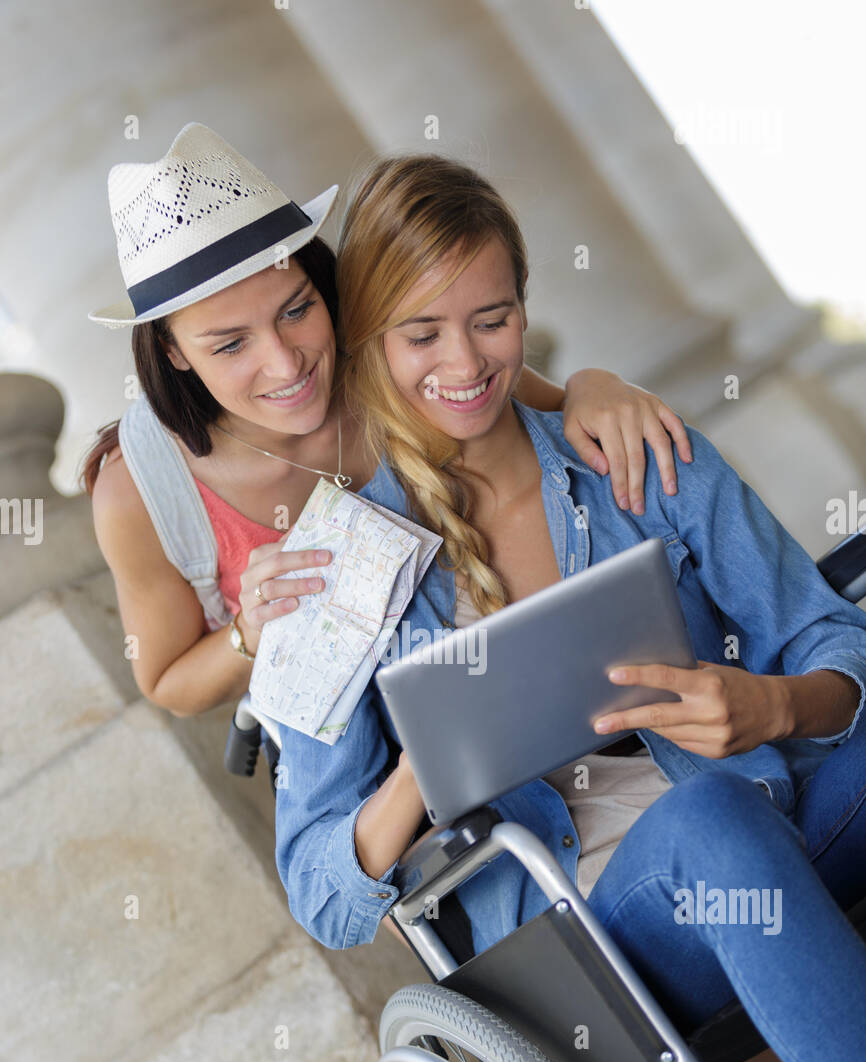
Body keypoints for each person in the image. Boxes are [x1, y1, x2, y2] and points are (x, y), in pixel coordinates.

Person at [271, 152, 866, 1062]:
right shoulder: (336, 578)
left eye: (490, 320)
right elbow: (320, 888)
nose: (464, 363)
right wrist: (423, 769)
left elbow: (826, 640)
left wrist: (773, 704)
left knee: (725, 810)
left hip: (767, 808)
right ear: (367, 345)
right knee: (708, 829)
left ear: (525, 311)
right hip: (596, 947)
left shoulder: (629, 451)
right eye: (420, 335)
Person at [80, 123, 690, 723]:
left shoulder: (387, 353)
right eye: (231, 345)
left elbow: (539, 407)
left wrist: (597, 385)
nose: (285, 362)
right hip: (374, 760)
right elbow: (167, 682)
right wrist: (251, 628)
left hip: (539, 687)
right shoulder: (140, 492)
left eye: (297, 310)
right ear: (172, 352)